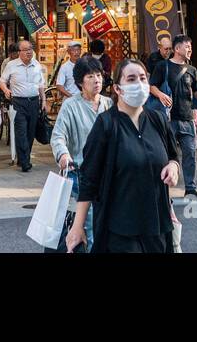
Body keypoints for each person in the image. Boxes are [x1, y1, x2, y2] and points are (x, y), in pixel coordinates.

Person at [66, 58, 180, 253]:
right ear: (118, 89)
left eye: (143, 78)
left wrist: (174, 167)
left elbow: (173, 155)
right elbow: (89, 179)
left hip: (157, 225)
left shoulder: (158, 120)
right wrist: (78, 226)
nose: (139, 84)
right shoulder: (106, 124)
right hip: (120, 229)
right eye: (132, 79)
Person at [51, 55, 110, 251]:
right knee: (91, 224)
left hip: (111, 175)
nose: (97, 80)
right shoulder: (71, 105)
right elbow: (58, 136)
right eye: (91, 76)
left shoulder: (109, 104)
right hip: (83, 175)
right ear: (79, 82)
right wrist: (63, 155)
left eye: (99, 75)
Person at [151, 34, 197, 200]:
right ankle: (164, 189)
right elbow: (151, 86)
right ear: (177, 48)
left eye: (190, 47)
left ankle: (190, 188)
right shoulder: (163, 66)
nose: (190, 50)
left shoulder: (192, 70)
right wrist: (160, 95)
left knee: (190, 154)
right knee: (166, 155)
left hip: (187, 118)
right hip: (168, 119)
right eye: (187, 46)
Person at [0, 39, 46, 172]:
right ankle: (25, 162)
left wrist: (43, 101)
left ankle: (23, 159)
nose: (29, 52)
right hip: (18, 102)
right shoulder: (11, 65)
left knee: (30, 133)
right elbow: (2, 81)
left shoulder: (37, 65)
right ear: (19, 52)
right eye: (26, 50)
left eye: (31, 49)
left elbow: (41, 85)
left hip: (34, 102)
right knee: (21, 131)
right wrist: (6, 90)